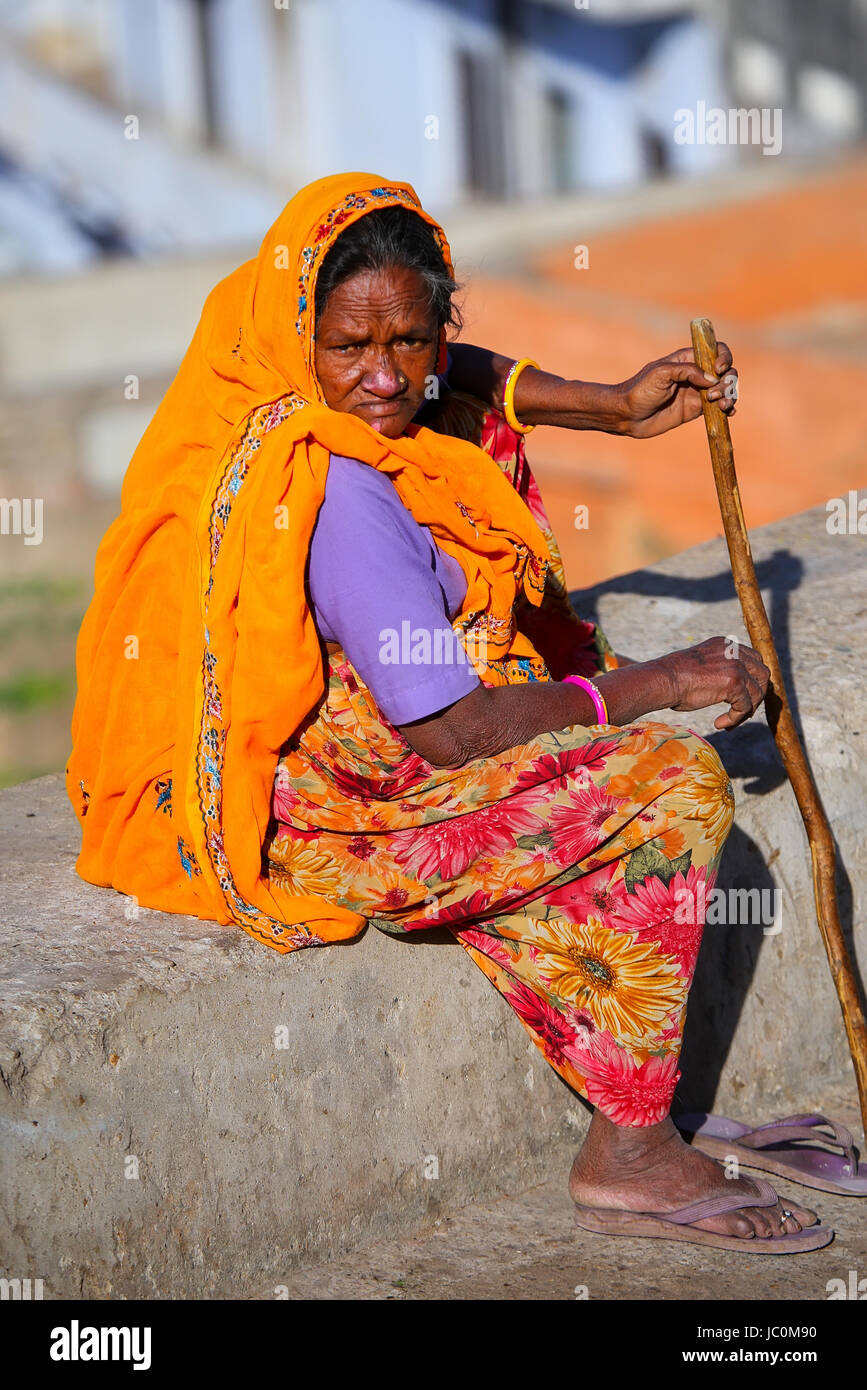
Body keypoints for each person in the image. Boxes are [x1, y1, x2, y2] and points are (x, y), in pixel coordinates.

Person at [67, 172, 830, 1253]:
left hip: (389, 744)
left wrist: (609, 406)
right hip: (350, 812)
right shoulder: (344, 497)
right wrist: (662, 683)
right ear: (299, 339)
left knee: (485, 454)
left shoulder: (299, 371)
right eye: (350, 348)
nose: (384, 377)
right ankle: (629, 1154)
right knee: (674, 785)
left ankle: (646, 1093)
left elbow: (450, 376)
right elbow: (455, 732)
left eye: (409, 338)